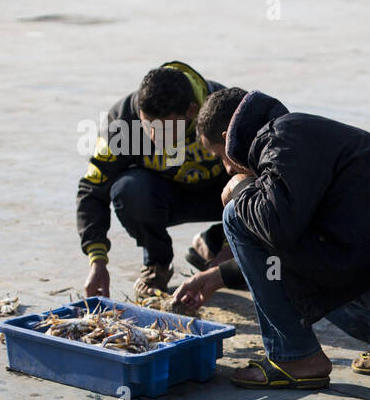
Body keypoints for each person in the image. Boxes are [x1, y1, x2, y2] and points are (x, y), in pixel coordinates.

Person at [195, 88, 370, 390]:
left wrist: (240, 186)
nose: (226, 168)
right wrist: (218, 276)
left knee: (237, 215)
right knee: (267, 219)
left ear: (227, 136)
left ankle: (295, 355)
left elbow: (275, 231)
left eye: (219, 156)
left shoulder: (279, 140)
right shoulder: (296, 132)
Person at [77, 62, 246, 303]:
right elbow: (92, 190)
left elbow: (262, 180)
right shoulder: (122, 123)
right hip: (163, 198)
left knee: (251, 192)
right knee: (128, 189)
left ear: (191, 112)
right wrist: (97, 261)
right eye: (148, 127)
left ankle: (218, 241)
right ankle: (157, 264)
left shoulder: (225, 112)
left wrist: (233, 250)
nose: (155, 138)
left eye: (166, 130)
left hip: (221, 196)